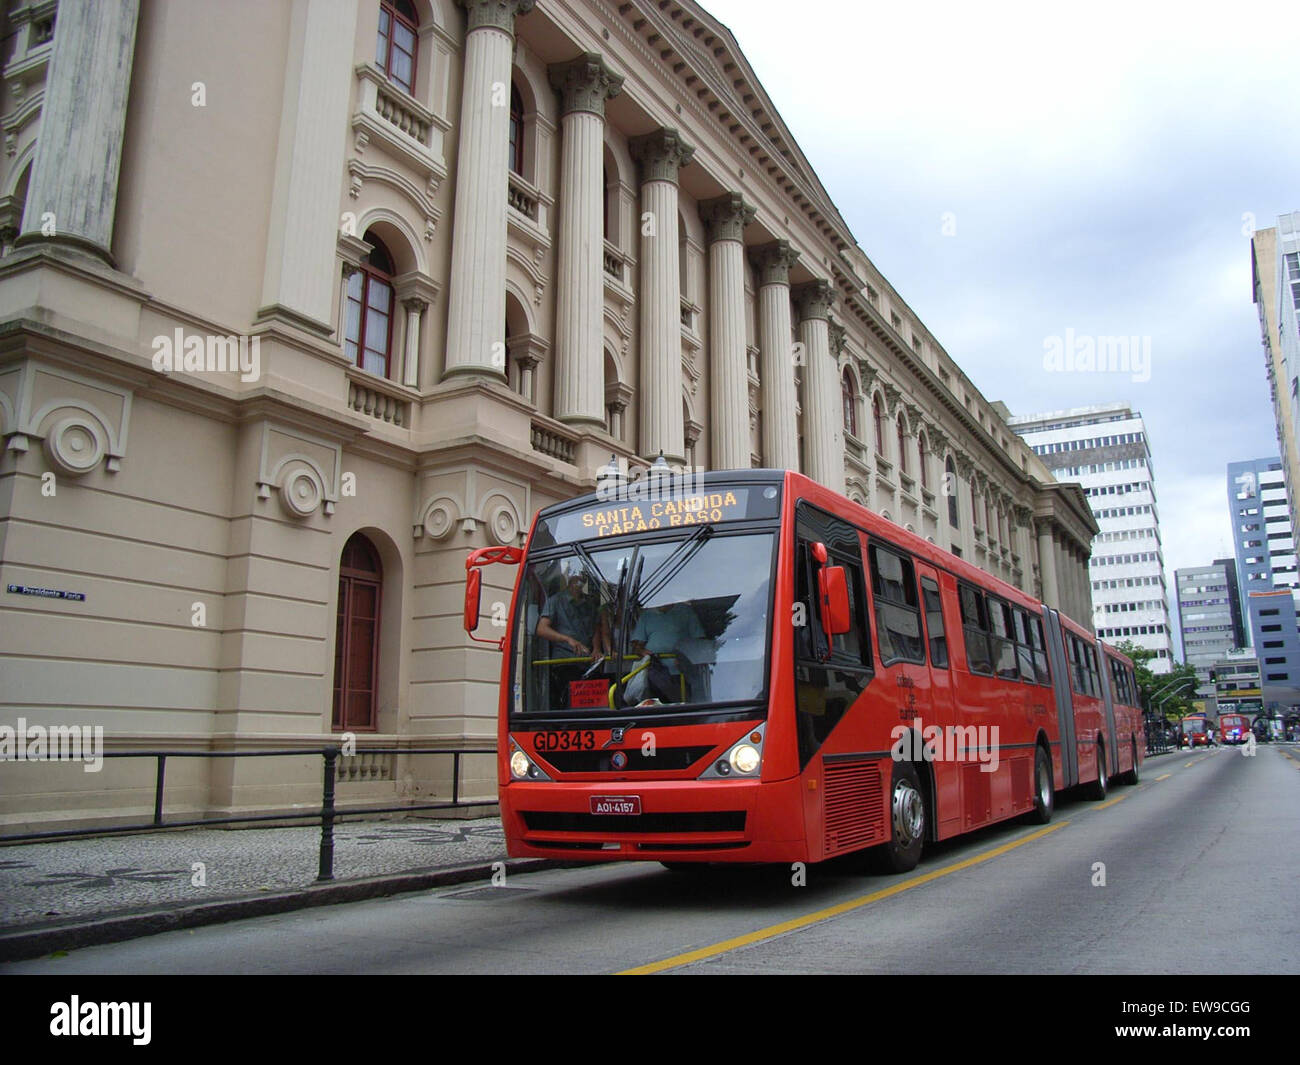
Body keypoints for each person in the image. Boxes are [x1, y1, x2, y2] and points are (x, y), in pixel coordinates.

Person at [535, 561, 607, 658]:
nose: (580, 581)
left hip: (586, 660)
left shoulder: (589, 605)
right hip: (564, 660)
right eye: (577, 578)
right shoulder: (556, 601)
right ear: (570, 579)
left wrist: (596, 649)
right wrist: (567, 639)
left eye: (583, 578)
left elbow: (595, 629)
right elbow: (542, 629)